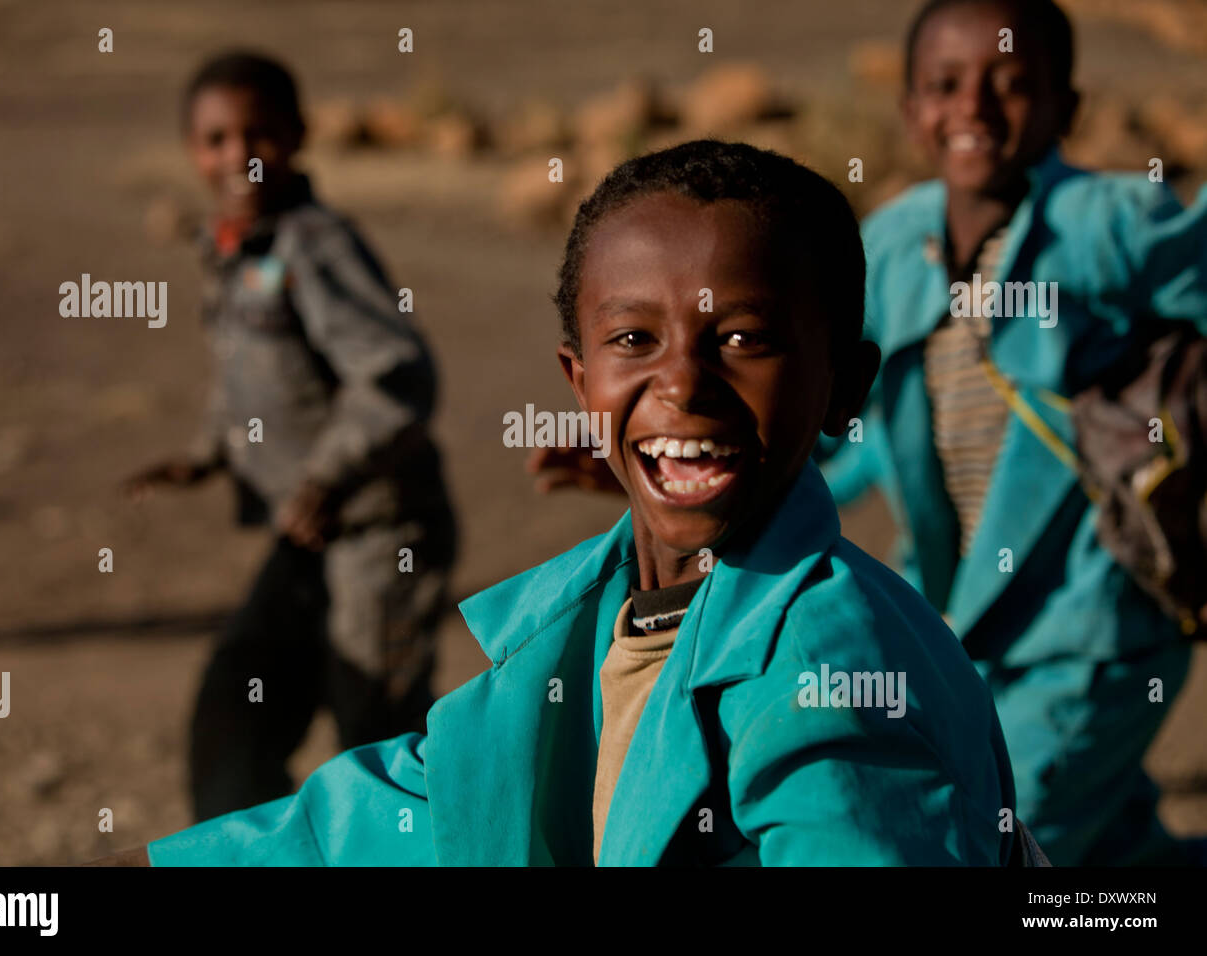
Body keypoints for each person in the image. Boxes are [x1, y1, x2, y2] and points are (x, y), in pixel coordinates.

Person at [120, 140, 1017, 866]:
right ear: (580, 381)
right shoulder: (595, 611)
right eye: (635, 339)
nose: (683, 386)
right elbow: (421, 806)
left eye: (743, 338)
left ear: (844, 387)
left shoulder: (833, 662)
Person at [818, 0, 1207, 864]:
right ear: (911, 111)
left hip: (1092, 626)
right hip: (952, 623)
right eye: (945, 86)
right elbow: (843, 425)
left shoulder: (1109, 223)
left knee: (999, 838)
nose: (975, 108)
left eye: (1013, 84)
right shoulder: (892, 243)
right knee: (1098, 845)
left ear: (1066, 109)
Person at [123, 51, 457, 822]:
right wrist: (202, 456)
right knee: (236, 704)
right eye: (215, 138)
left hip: (376, 529)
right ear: (191, 150)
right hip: (308, 533)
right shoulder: (238, 250)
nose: (238, 153)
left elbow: (399, 374)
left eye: (260, 132)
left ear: (300, 134)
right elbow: (252, 381)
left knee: (378, 735)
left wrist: (325, 477)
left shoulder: (315, 244)